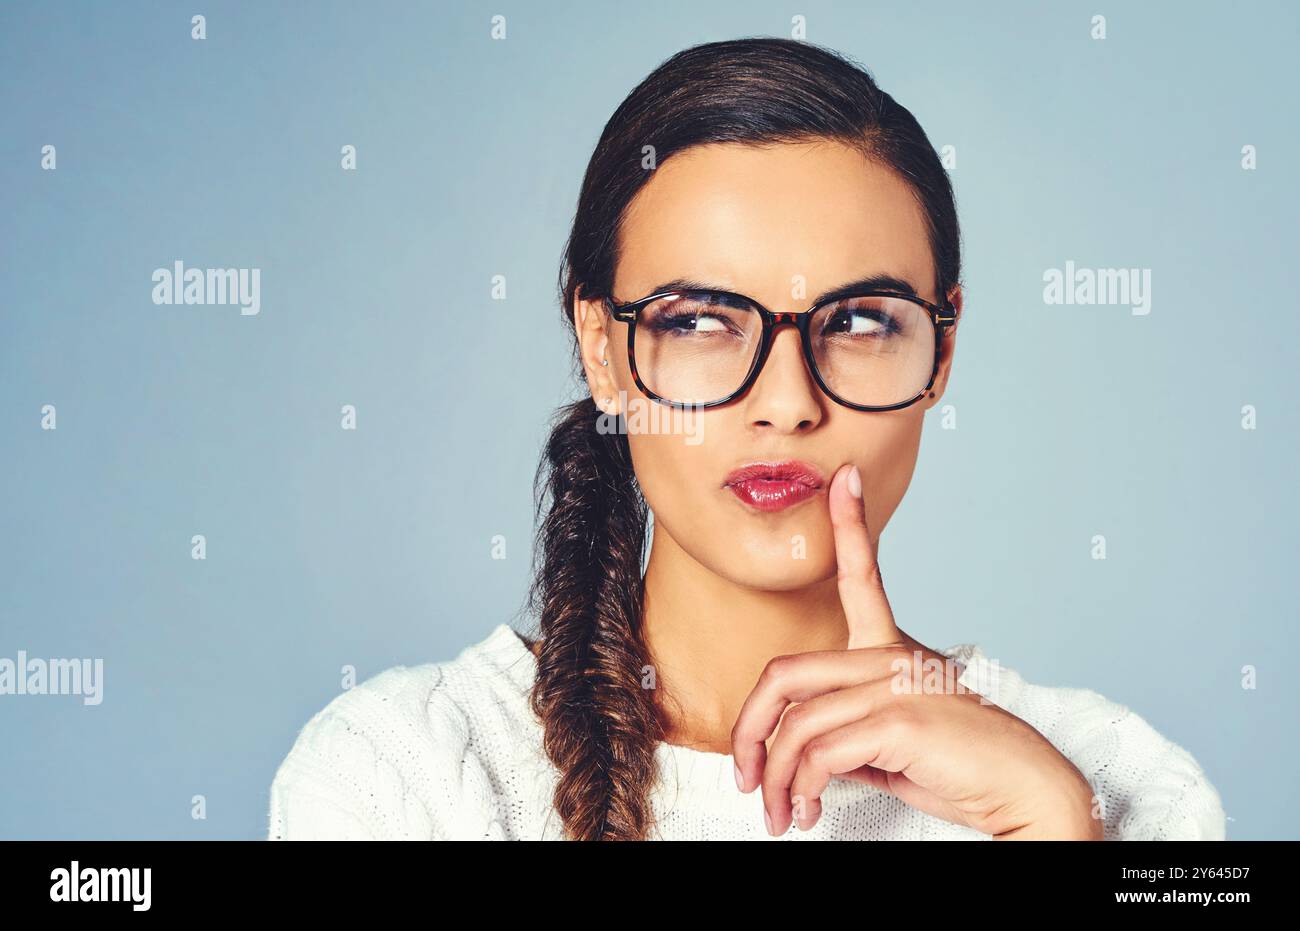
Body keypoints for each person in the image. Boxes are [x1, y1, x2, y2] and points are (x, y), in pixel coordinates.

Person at [267, 36, 1226, 841]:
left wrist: (1053, 826)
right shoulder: (402, 772)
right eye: (696, 321)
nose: (786, 402)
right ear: (602, 351)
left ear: (941, 352)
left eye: (857, 322)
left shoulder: (1116, 783)